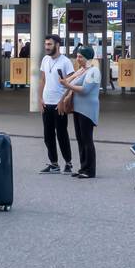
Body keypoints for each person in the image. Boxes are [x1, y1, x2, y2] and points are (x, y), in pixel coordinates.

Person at [61, 45, 101, 179]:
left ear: (88, 57)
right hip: (78, 109)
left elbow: (85, 90)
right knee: (80, 139)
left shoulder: (94, 71)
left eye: (80, 56)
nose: (77, 59)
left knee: (87, 139)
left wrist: (68, 85)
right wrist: (67, 82)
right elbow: (69, 82)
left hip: (88, 110)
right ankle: (83, 167)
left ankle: (90, 170)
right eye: (77, 56)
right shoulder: (82, 70)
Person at [38, 34, 75, 173]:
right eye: (46, 44)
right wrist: (40, 99)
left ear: (57, 45)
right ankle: (54, 164)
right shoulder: (45, 60)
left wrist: (62, 101)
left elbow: (70, 83)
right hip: (46, 103)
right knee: (48, 135)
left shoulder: (65, 62)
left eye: (49, 44)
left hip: (59, 104)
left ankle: (68, 163)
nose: (46, 47)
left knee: (61, 134)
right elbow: (42, 80)